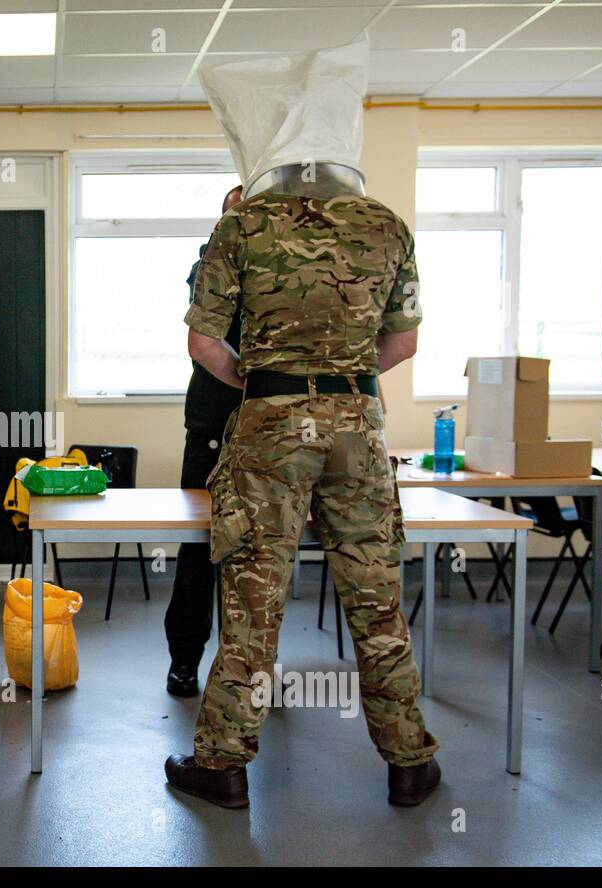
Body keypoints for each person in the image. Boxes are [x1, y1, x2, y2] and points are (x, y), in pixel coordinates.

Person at [164, 35, 441, 809]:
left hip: (269, 430)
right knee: (375, 593)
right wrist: (344, 386)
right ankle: (409, 761)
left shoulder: (241, 227)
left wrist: (264, 384)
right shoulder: (386, 226)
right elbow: (405, 340)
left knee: (255, 597)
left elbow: (201, 342)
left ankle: (222, 766)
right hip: (357, 426)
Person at [164, 184, 244, 698]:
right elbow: (204, 343)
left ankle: (249, 666)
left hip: (271, 433)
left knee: (257, 555)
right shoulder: (208, 266)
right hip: (213, 427)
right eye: (235, 216)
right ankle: (185, 662)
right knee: (200, 549)